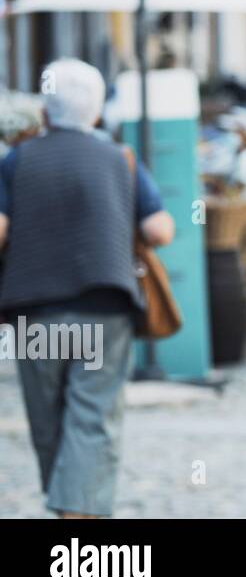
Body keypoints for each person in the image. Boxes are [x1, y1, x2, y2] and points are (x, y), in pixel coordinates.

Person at [0, 58, 175, 519]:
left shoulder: (16, 161)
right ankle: (80, 519)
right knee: (92, 415)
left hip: (34, 311)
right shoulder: (119, 158)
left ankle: (69, 515)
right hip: (104, 306)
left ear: (44, 112)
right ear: (96, 114)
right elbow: (159, 230)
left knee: (47, 417)